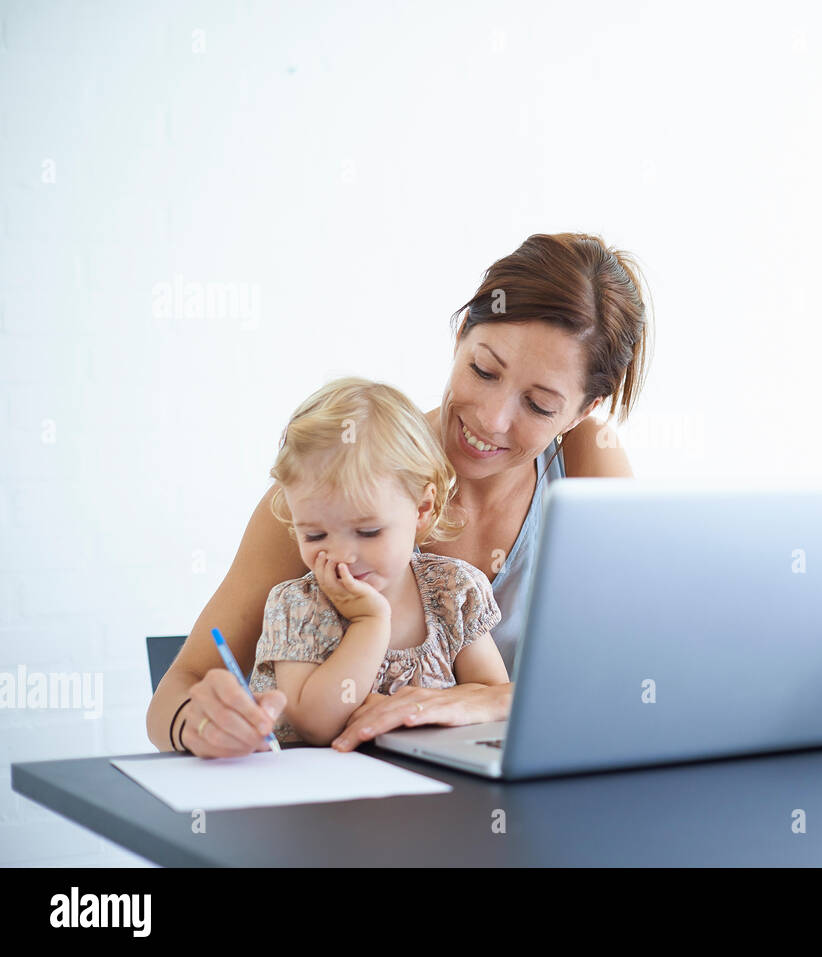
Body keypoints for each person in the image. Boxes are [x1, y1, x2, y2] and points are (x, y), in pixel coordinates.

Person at [146, 232, 652, 757]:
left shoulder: (585, 461)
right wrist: (199, 722)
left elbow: (642, 682)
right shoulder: (338, 483)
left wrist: (490, 701)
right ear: (461, 335)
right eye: (483, 370)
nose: (491, 418)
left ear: (584, 410)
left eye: (540, 405)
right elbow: (171, 698)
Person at [231, 376, 510, 749]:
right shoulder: (299, 607)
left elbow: (494, 699)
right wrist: (370, 622)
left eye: (368, 532)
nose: (342, 555)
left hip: (430, 785)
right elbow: (316, 724)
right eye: (314, 535)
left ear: (422, 510)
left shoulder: (452, 592)